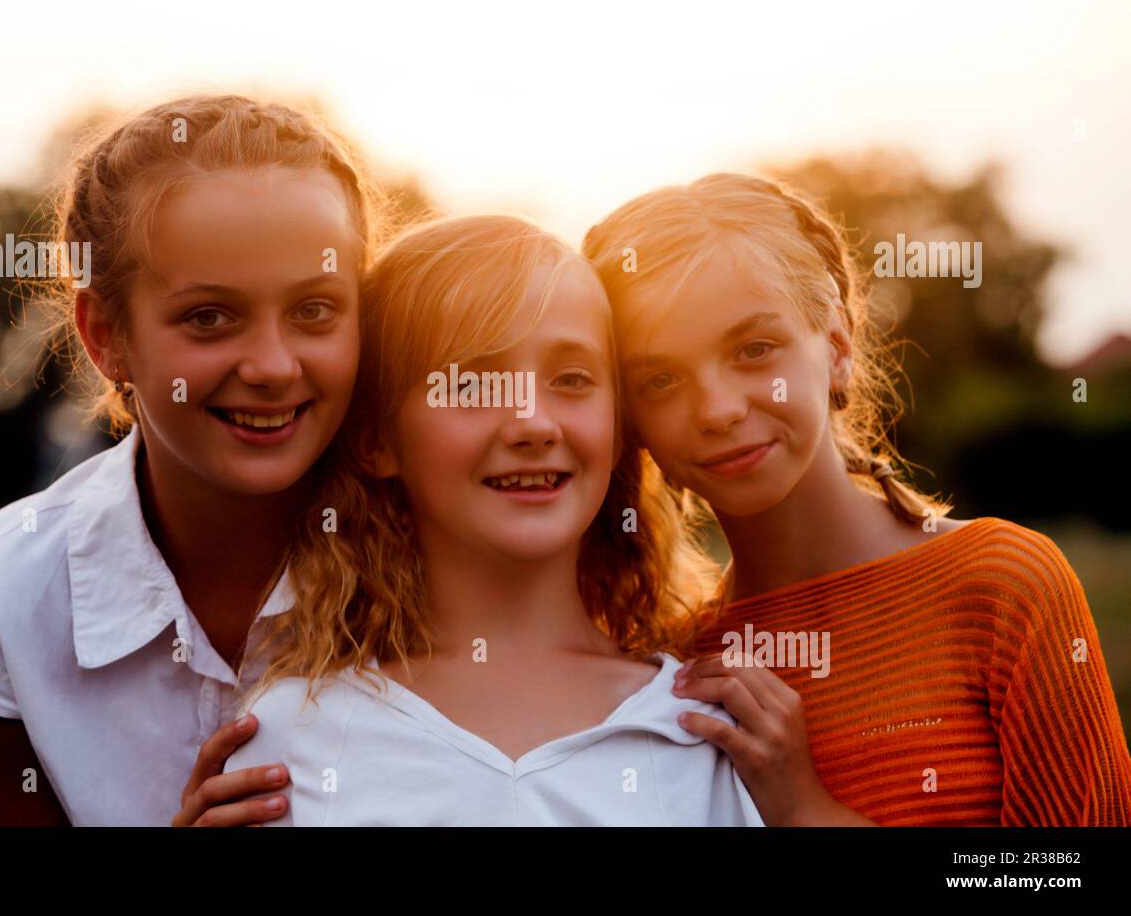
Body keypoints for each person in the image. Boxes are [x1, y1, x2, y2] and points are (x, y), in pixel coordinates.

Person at [582, 172, 1131, 825]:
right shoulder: (665, 666)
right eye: (661, 378)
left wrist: (806, 810)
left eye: (755, 349)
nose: (718, 410)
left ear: (837, 346)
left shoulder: (1003, 586)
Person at [0, 94, 376, 825]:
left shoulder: (449, 558)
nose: (274, 366)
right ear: (105, 336)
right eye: (209, 316)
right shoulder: (2, 602)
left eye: (314, 309)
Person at [226, 215, 762, 826]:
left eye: (572, 379)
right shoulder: (291, 739)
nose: (533, 422)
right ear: (377, 439)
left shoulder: (704, 725)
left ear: (617, 428)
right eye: (474, 383)